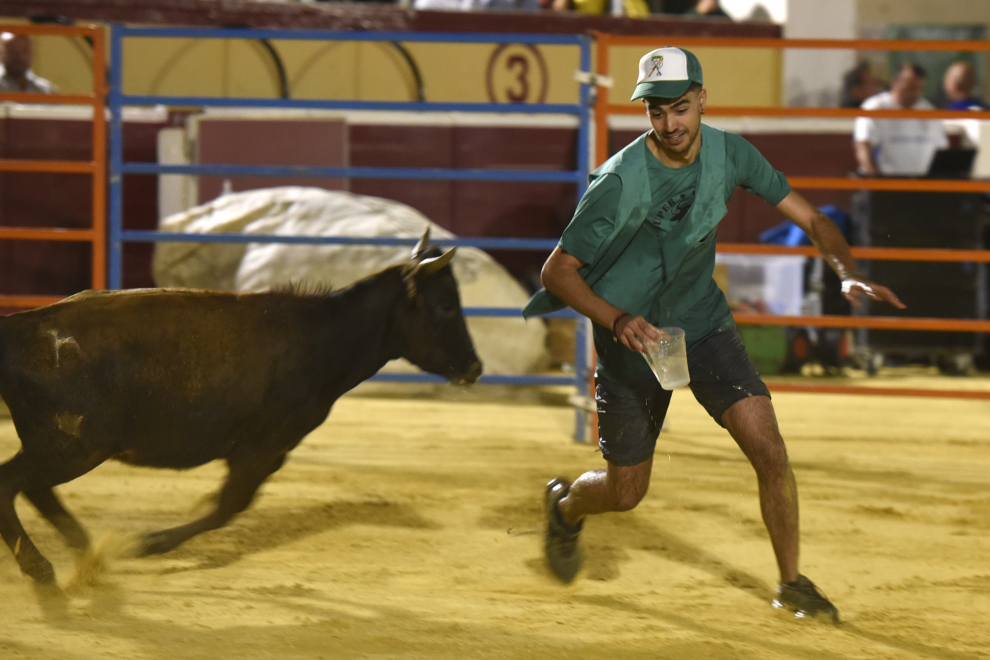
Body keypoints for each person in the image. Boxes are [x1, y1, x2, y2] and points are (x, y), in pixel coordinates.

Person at [523, 46, 905, 621]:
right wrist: (619, 321)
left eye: (679, 107)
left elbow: (814, 219)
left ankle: (792, 583)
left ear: (702, 100)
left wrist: (847, 273)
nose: (669, 124)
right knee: (627, 494)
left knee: (769, 449)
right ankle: (566, 507)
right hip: (633, 339)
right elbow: (557, 272)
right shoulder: (619, 180)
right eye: (655, 111)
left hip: (703, 324)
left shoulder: (732, 154)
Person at [853, 62, 947, 176]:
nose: (915, 93)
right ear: (894, 83)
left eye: (919, 88)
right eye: (910, 87)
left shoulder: (928, 111)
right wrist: (878, 183)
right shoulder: (875, 108)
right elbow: (863, 148)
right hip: (889, 184)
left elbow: (942, 150)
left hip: (922, 185)